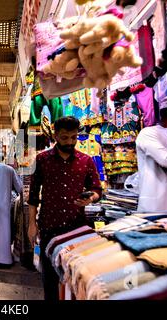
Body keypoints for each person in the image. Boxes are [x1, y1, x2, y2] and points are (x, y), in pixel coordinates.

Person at [27, 116, 102, 301]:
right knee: (50, 280)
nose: (70, 142)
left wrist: (91, 198)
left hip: (76, 229)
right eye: (64, 138)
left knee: (75, 279)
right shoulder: (42, 159)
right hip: (49, 227)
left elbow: (97, 189)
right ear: (55, 135)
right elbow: (34, 196)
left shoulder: (86, 161)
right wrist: (31, 224)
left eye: (73, 138)